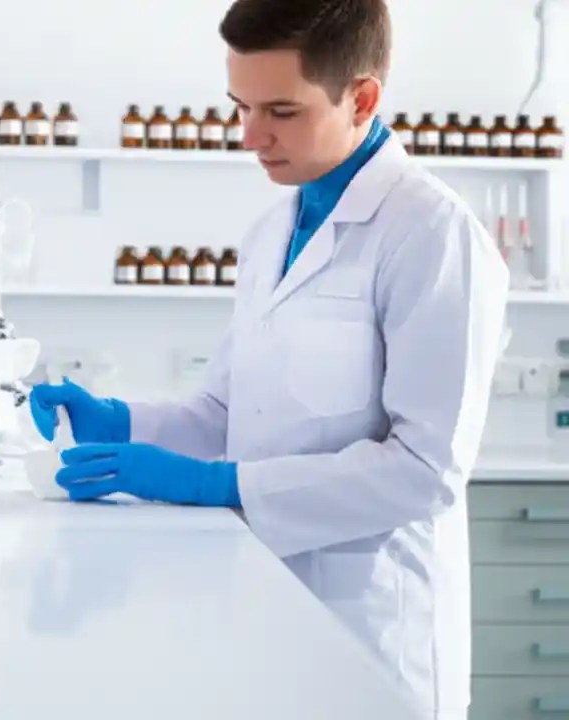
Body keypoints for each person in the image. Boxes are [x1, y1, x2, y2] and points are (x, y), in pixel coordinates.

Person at [28, 1, 508, 718]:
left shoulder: (433, 234)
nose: (250, 136)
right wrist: (121, 421)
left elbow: (425, 470)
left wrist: (219, 485)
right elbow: (229, 412)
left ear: (362, 99)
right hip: (262, 606)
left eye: (281, 111)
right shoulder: (270, 231)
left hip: (374, 630)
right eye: (241, 106)